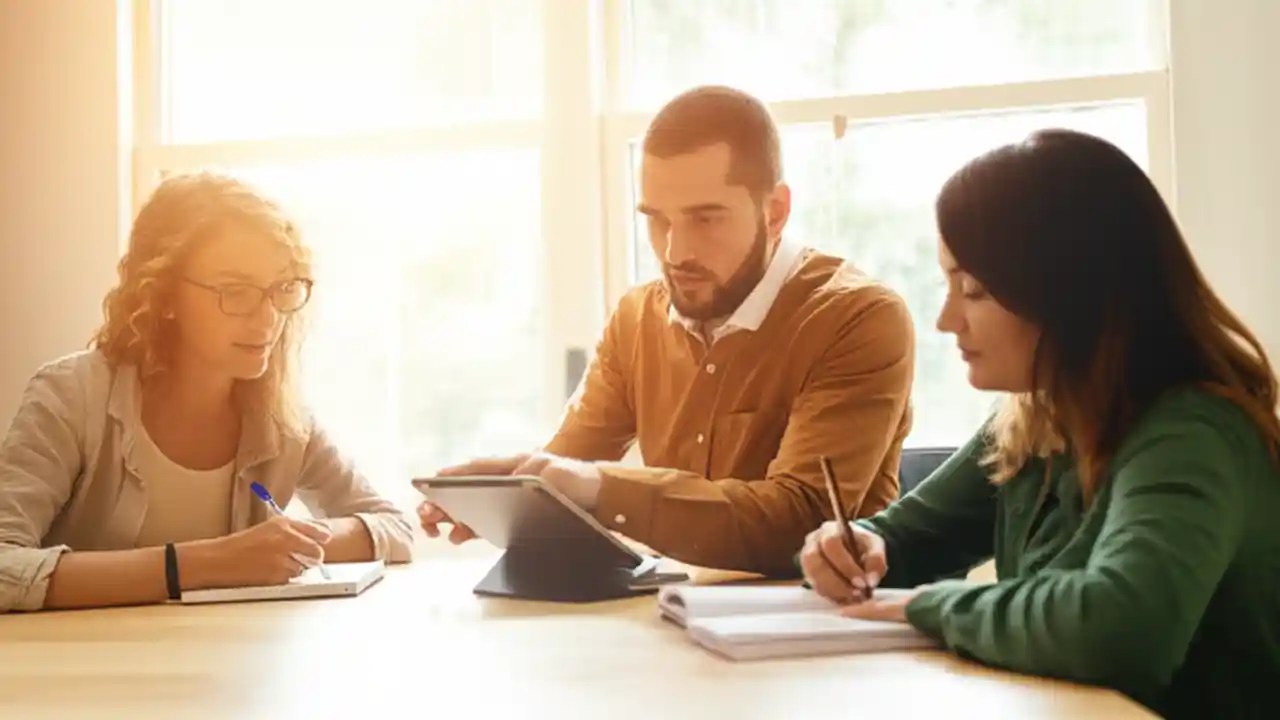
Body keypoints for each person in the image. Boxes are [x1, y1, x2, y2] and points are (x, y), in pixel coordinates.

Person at [798, 129, 1280, 717]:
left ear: (1065, 293)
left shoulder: (1193, 434)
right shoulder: (1035, 414)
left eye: (972, 290)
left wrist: (933, 606)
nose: (948, 319)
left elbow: (1120, 629)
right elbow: (908, 539)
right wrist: (850, 548)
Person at [420, 86, 915, 574]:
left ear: (775, 211)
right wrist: (507, 492)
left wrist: (596, 486)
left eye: (706, 219)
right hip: (675, 621)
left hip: (820, 632)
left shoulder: (858, 318)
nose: (675, 252)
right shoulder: (637, 318)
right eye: (657, 220)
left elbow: (804, 517)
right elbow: (568, 473)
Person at [0, 172, 413, 613]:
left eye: (281, 289)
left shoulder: (281, 414)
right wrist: (206, 563)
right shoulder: (70, 396)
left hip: (221, 667)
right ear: (162, 294)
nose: (268, 318)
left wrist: (278, 549)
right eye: (236, 292)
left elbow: (395, 529)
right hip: (77, 673)